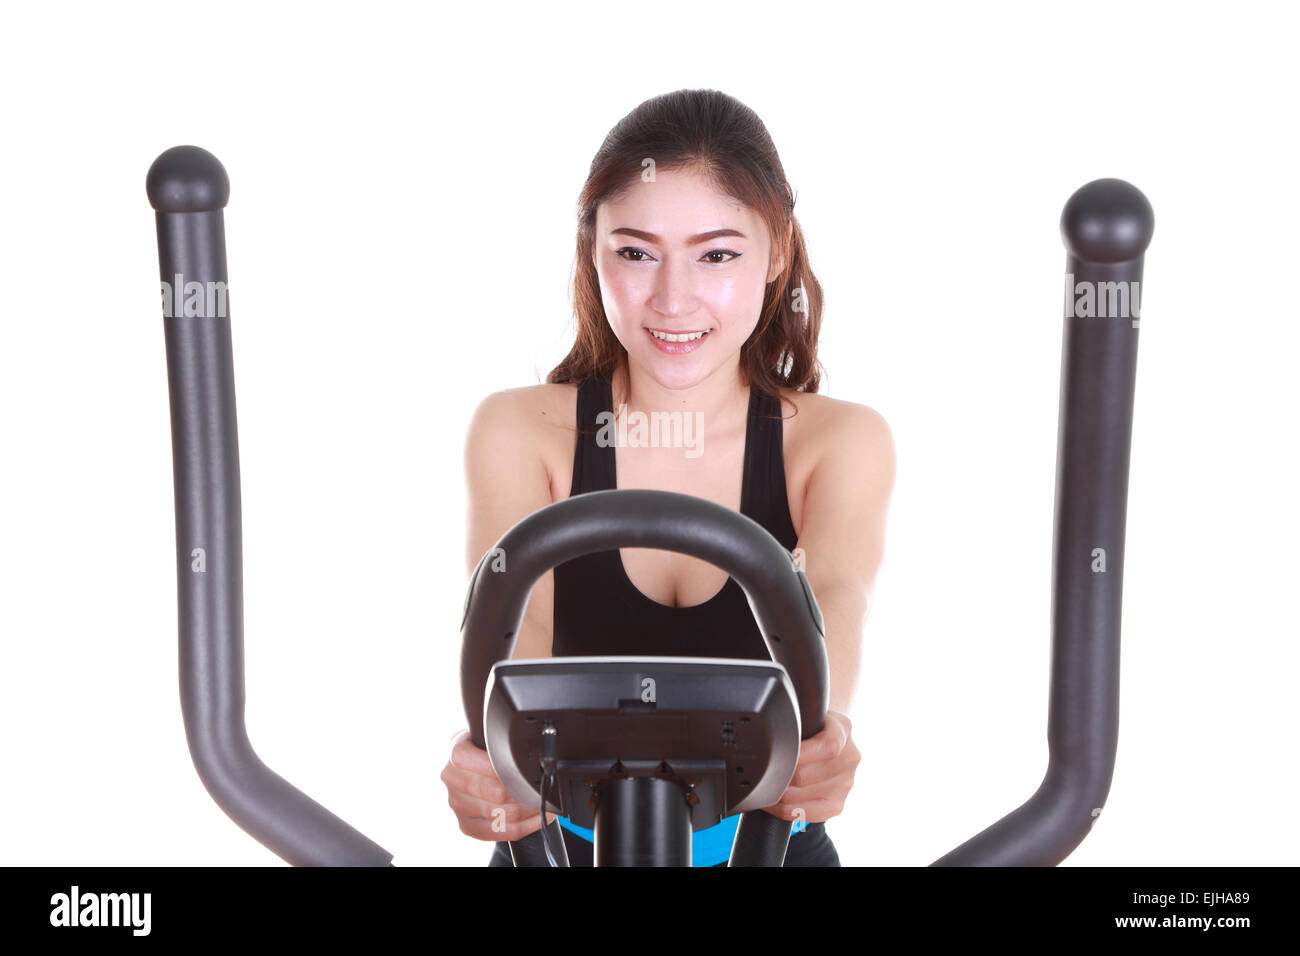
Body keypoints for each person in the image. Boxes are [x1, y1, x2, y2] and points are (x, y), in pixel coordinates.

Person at [442, 88, 896, 866]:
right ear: (594, 251)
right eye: (635, 252)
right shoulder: (521, 432)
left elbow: (836, 599)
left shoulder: (837, 440)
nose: (673, 298)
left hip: (768, 850)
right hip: (559, 851)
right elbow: (518, 631)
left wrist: (833, 727)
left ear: (776, 252)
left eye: (717, 254)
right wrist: (488, 748)